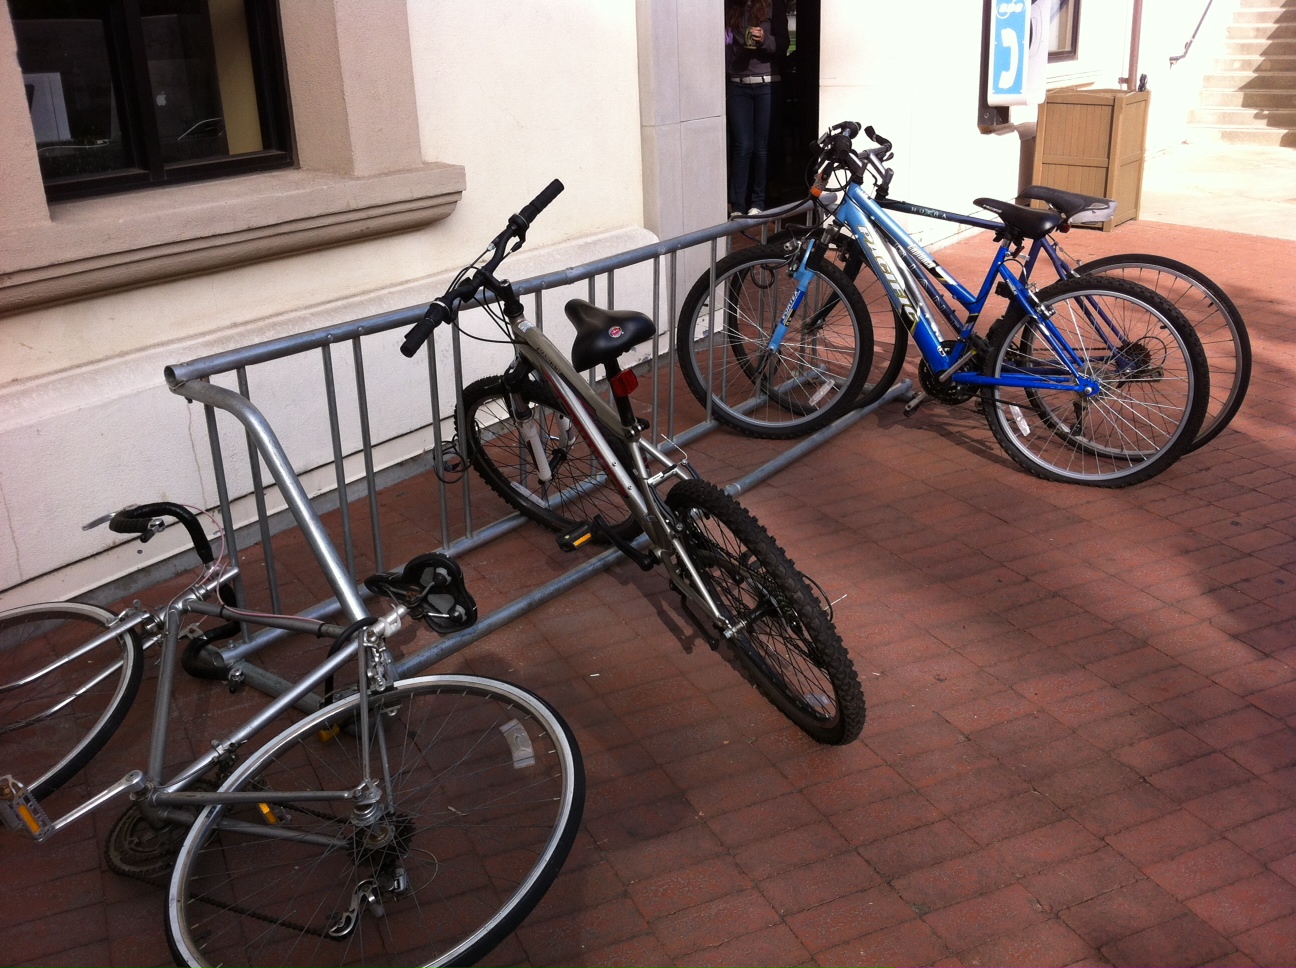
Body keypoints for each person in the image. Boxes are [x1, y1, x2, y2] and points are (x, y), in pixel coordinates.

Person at [725, 0, 777, 217]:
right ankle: (738, 205)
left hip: (765, 84)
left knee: (761, 148)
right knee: (743, 146)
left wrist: (764, 39)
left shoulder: (770, 7)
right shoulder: (730, 9)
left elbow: (780, 46)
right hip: (738, 85)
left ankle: (758, 202)